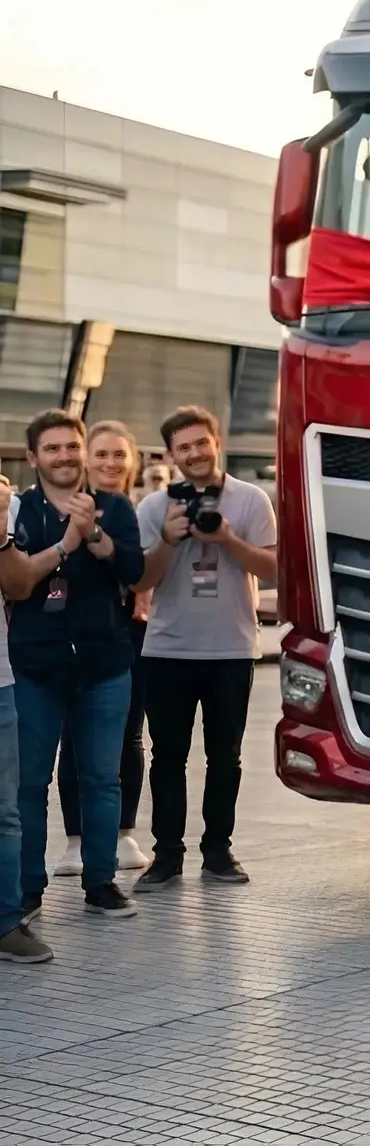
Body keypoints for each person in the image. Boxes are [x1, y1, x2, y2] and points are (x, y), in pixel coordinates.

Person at [0, 410, 146, 924]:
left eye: (71, 446)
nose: (64, 456)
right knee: (28, 784)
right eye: (53, 448)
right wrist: (63, 543)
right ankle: (28, 890)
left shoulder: (113, 506)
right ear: (34, 456)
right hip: (35, 667)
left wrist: (95, 538)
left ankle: (101, 883)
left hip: (105, 665)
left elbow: (135, 570)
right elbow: (14, 584)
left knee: (102, 780)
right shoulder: (18, 512)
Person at [131, 406, 277, 890]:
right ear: (171, 455)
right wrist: (170, 540)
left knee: (226, 757)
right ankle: (167, 856)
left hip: (231, 649)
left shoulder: (252, 500)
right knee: (167, 757)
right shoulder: (154, 507)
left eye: (201, 443)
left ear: (217, 443)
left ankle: (218, 852)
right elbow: (140, 581)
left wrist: (227, 537)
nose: (194, 453)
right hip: (168, 649)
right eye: (183, 447)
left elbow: (275, 571)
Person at [53, 421, 152, 876]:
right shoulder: (69, 507)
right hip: (75, 637)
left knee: (129, 736)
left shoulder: (130, 509)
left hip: (129, 635)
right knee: (73, 740)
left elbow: (137, 571)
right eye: (101, 454)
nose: (110, 463)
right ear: (85, 459)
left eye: (119, 455)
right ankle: (76, 840)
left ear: (133, 460)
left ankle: (122, 833)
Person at [0, 474, 54, 963]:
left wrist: (0, 531)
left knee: (5, 811)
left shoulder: (10, 507)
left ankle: (6, 922)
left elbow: (18, 586)